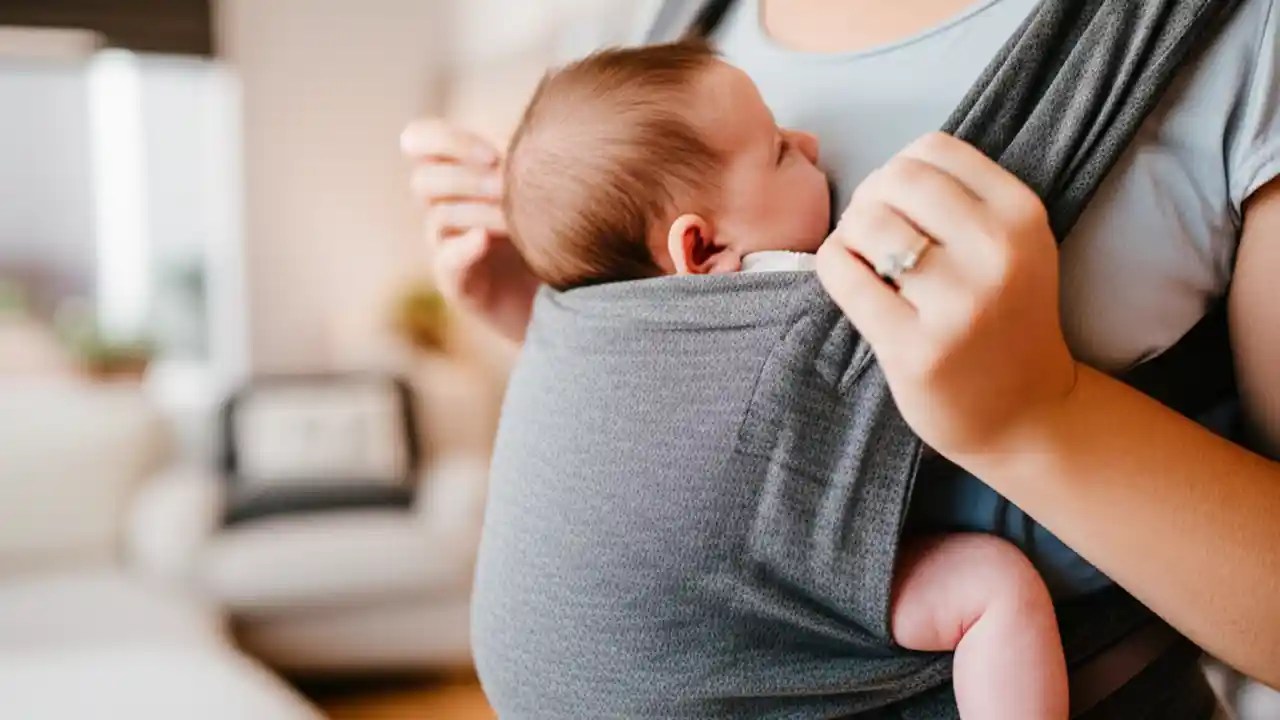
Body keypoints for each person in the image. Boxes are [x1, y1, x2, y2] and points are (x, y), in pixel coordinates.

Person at [402, 0, 1280, 715]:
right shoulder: (642, 32)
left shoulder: (1243, 40)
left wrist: (1037, 414)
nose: (813, 146)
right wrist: (555, 329)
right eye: (785, 148)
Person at [502, 40, 1068, 719]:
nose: (809, 140)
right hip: (723, 622)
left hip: (610, 659)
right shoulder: (788, 299)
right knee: (992, 587)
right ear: (704, 249)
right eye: (777, 150)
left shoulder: (604, 314)